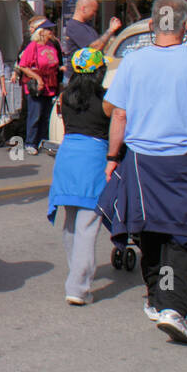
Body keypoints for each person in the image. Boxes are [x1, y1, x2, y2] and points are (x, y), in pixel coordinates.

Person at [98, 0, 187, 345]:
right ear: (184, 26)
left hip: (141, 159)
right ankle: (173, 307)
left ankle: (157, 297)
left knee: (149, 229)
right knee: (183, 232)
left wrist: (111, 157)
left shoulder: (134, 62)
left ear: (152, 25)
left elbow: (118, 114)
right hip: (182, 161)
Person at [47, 48, 113, 305]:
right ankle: (77, 285)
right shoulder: (107, 100)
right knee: (87, 224)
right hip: (93, 159)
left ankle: (77, 272)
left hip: (68, 157)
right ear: (100, 72)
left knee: (71, 222)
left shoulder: (64, 97)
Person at [14, 16, 60, 154]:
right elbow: (23, 65)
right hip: (37, 85)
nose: (52, 31)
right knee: (35, 114)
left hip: (50, 84)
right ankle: (31, 142)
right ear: (41, 32)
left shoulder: (52, 45)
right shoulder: (33, 46)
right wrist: (37, 78)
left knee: (46, 115)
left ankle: (43, 140)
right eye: (49, 29)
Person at [61, 0, 121, 80]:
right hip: (78, 77)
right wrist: (110, 30)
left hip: (88, 75)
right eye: (94, 11)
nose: (95, 14)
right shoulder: (74, 26)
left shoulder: (86, 25)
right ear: (83, 8)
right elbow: (94, 48)